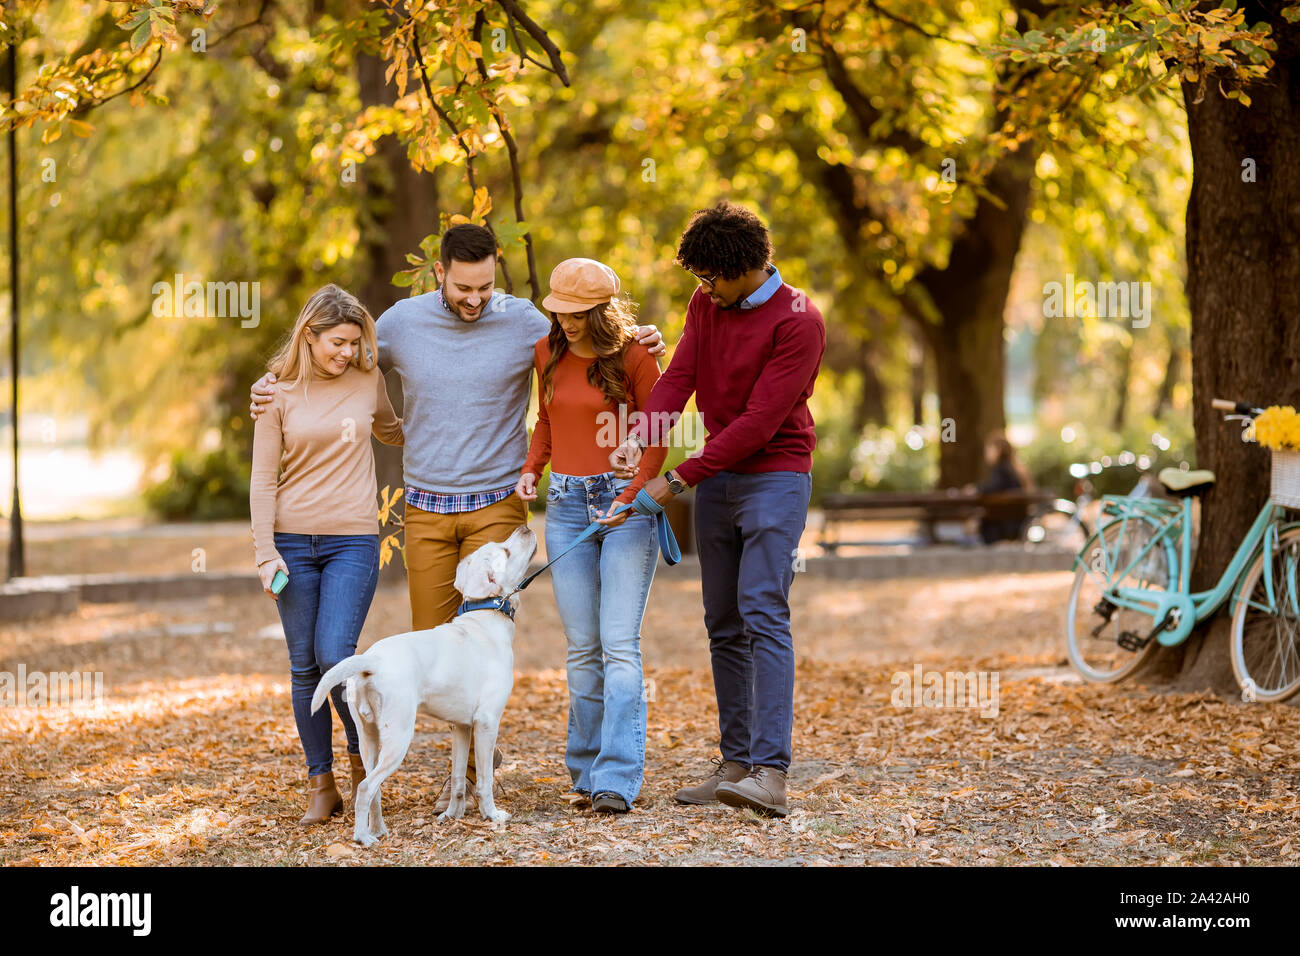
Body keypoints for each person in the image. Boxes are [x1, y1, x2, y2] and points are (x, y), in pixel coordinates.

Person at [249, 224, 665, 813]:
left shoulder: (524, 322)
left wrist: (639, 337)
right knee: (434, 650)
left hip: (497, 505)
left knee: (486, 645)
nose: (475, 299)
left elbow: (591, 347)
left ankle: (477, 775)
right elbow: (335, 357)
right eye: (463, 287)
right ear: (439, 273)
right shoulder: (397, 324)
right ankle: (444, 772)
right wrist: (272, 385)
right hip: (425, 509)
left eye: (485, 286)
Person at [611, 201, 825, 818]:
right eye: (699, 279)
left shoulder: (799, 320)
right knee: (722, 620)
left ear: (747, 267)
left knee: (763, 610)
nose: (703, 289)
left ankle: (771, 773)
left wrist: (676, 479)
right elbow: (679, 377)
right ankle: (735, 764)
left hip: (775, 477)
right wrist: (641, 434)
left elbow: (760, 423)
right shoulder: (708, 304)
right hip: (719, 476)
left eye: (712, 278)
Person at [515, 259, 667, 814]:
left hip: (625, 503)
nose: (568, 322)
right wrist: (534, 467)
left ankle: (618, 778)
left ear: (600, 310)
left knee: (618, 645)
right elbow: (547, 421)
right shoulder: (546, 352)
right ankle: (584, 771)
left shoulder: (636, 355)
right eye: (561, 312)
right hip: (566, 505)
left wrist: (630, 501)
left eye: (579, 314)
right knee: (582, 648)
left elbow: (656, 433)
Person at [249, 284, 404, 824]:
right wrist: (264, 552)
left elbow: (391, 431)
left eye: (354, 343)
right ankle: (322, 783)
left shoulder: (369, 379)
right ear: (309, 336)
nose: (347, 353)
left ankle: (364, 764)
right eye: (337, 342)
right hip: (291, 544)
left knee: (335, 653)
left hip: (353, 539)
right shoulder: (276, 394)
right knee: (302, 666)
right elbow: (263, 480)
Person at [974, 431, 1033, 544]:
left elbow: (992, 488)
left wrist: (976, 489)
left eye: (989, 449)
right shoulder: (1015, 468)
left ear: (997, 450)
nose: (986, 454)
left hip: (1005, 524)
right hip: (1017, 521)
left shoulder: (1002, 469)